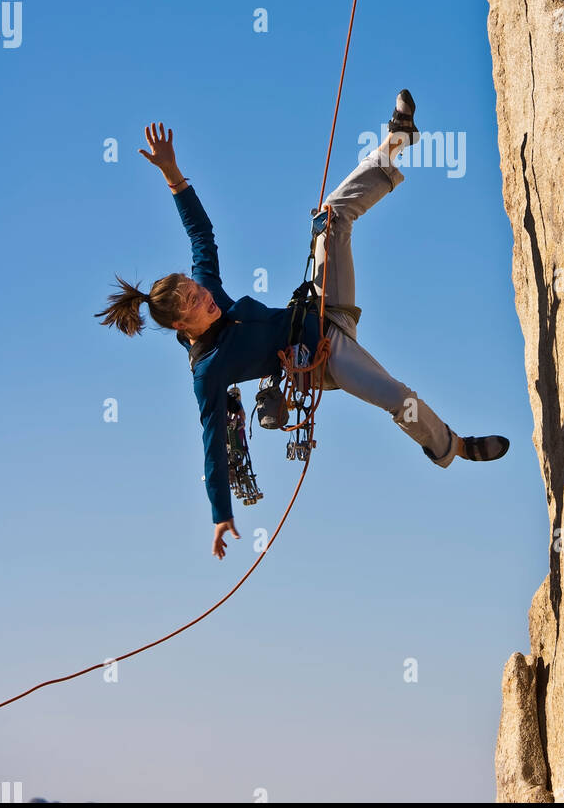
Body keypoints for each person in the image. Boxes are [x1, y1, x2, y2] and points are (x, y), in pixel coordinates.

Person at [95, 92, 509, 559]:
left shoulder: (210, 289)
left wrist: (173, 176)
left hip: (319, 309)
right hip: (324, 361)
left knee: (330, 216)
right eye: (195, 302)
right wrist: (220, 513)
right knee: (399, 399)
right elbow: (211, 445)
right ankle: (451, 446)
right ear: (182, 326)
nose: (206, 297)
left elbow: (200, 235)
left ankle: (395, 143)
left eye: (198, 288)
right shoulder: (207, 370)